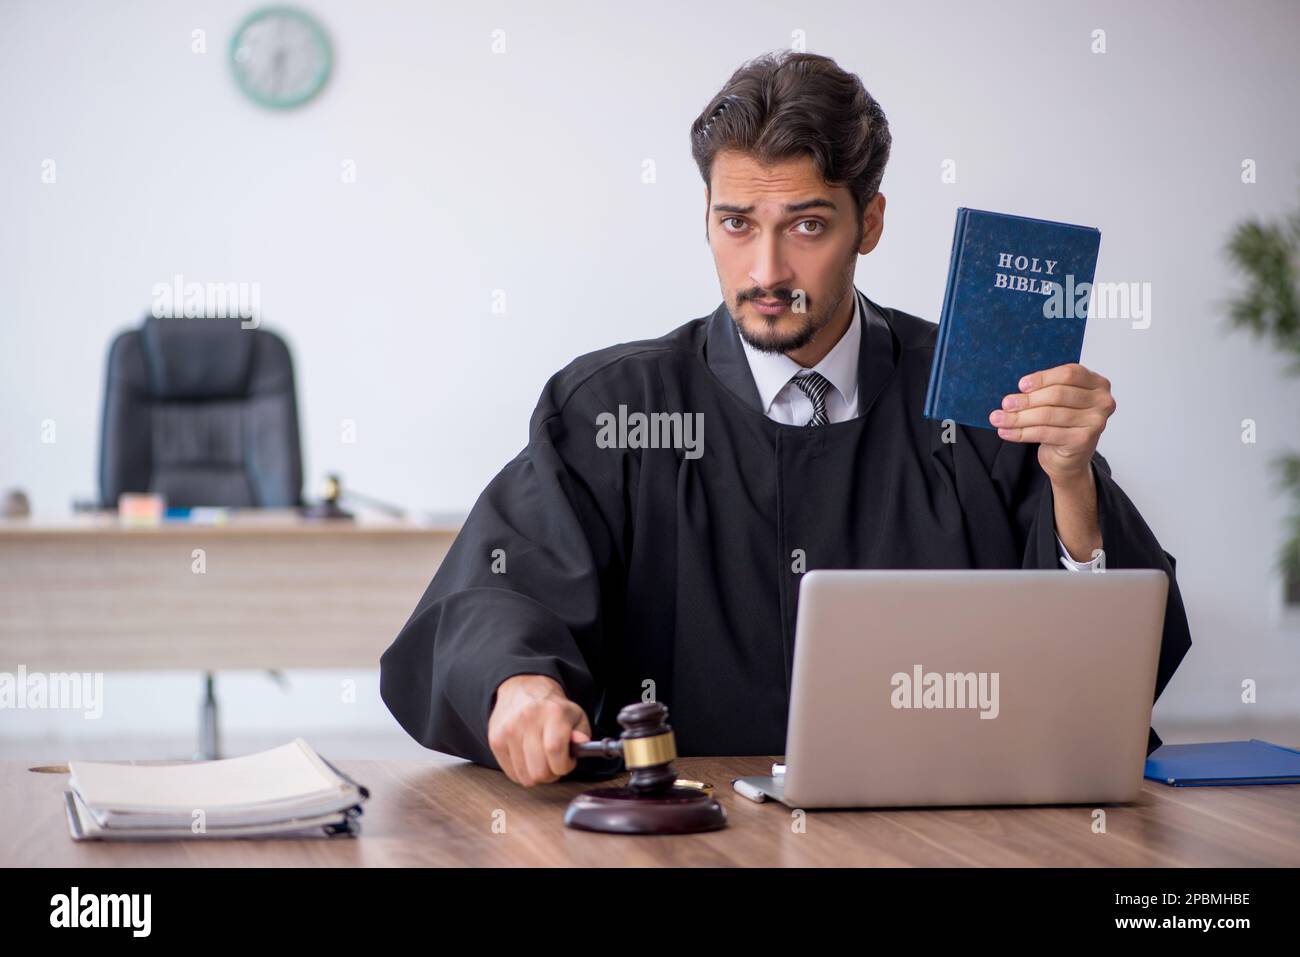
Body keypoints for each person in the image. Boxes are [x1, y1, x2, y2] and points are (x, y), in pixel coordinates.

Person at [380, 50, 1191, 787]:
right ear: (707, 219)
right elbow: (493, 593)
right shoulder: (613, 409)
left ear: (868, 224)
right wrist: (518, 685)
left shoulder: (985, 397)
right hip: (680, 835)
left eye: (806, 225)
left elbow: (1114, 662)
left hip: (948, 827)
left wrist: (1070, 479)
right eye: (738, 224)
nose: (767, 272)